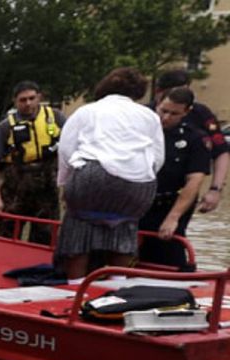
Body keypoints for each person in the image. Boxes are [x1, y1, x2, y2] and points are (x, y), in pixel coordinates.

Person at [54, 67, 164, 279]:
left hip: (94, 175)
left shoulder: (87, 111)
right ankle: (117, 284)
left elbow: (66, 150)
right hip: (139, 184)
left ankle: (75, 287)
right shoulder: (150, 116)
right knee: (125, 227)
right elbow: (158, 157)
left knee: (78, 226)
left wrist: (66, 184)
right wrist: (138, 178)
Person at [0, 81, 66, 244]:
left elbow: (71, 154)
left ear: (39, 97)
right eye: (23, 100)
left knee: (45, 242)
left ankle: (38, 269)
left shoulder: (56, 118)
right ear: (15, 101)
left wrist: (68, 189)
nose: (28, 103)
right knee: (7, 240)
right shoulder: (5, 127)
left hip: (46, 192)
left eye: (32, 98)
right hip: (14, 194)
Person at [137, 87, 209, 270]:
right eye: (163, 111)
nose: (166, 118)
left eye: (174, 114)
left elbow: (194, 181)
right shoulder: (139, 132)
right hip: (138, 200)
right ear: (158, 103)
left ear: (186, 112)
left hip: (170, 203)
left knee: (169, 251)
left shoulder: (194, 139)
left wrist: (173, 217)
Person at [151, 69, 228, 213]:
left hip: (181, 193)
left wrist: (215, 189)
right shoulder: (144, 113)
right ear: (159, 92)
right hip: (143, 192)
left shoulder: (200, 114)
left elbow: (221, 151)